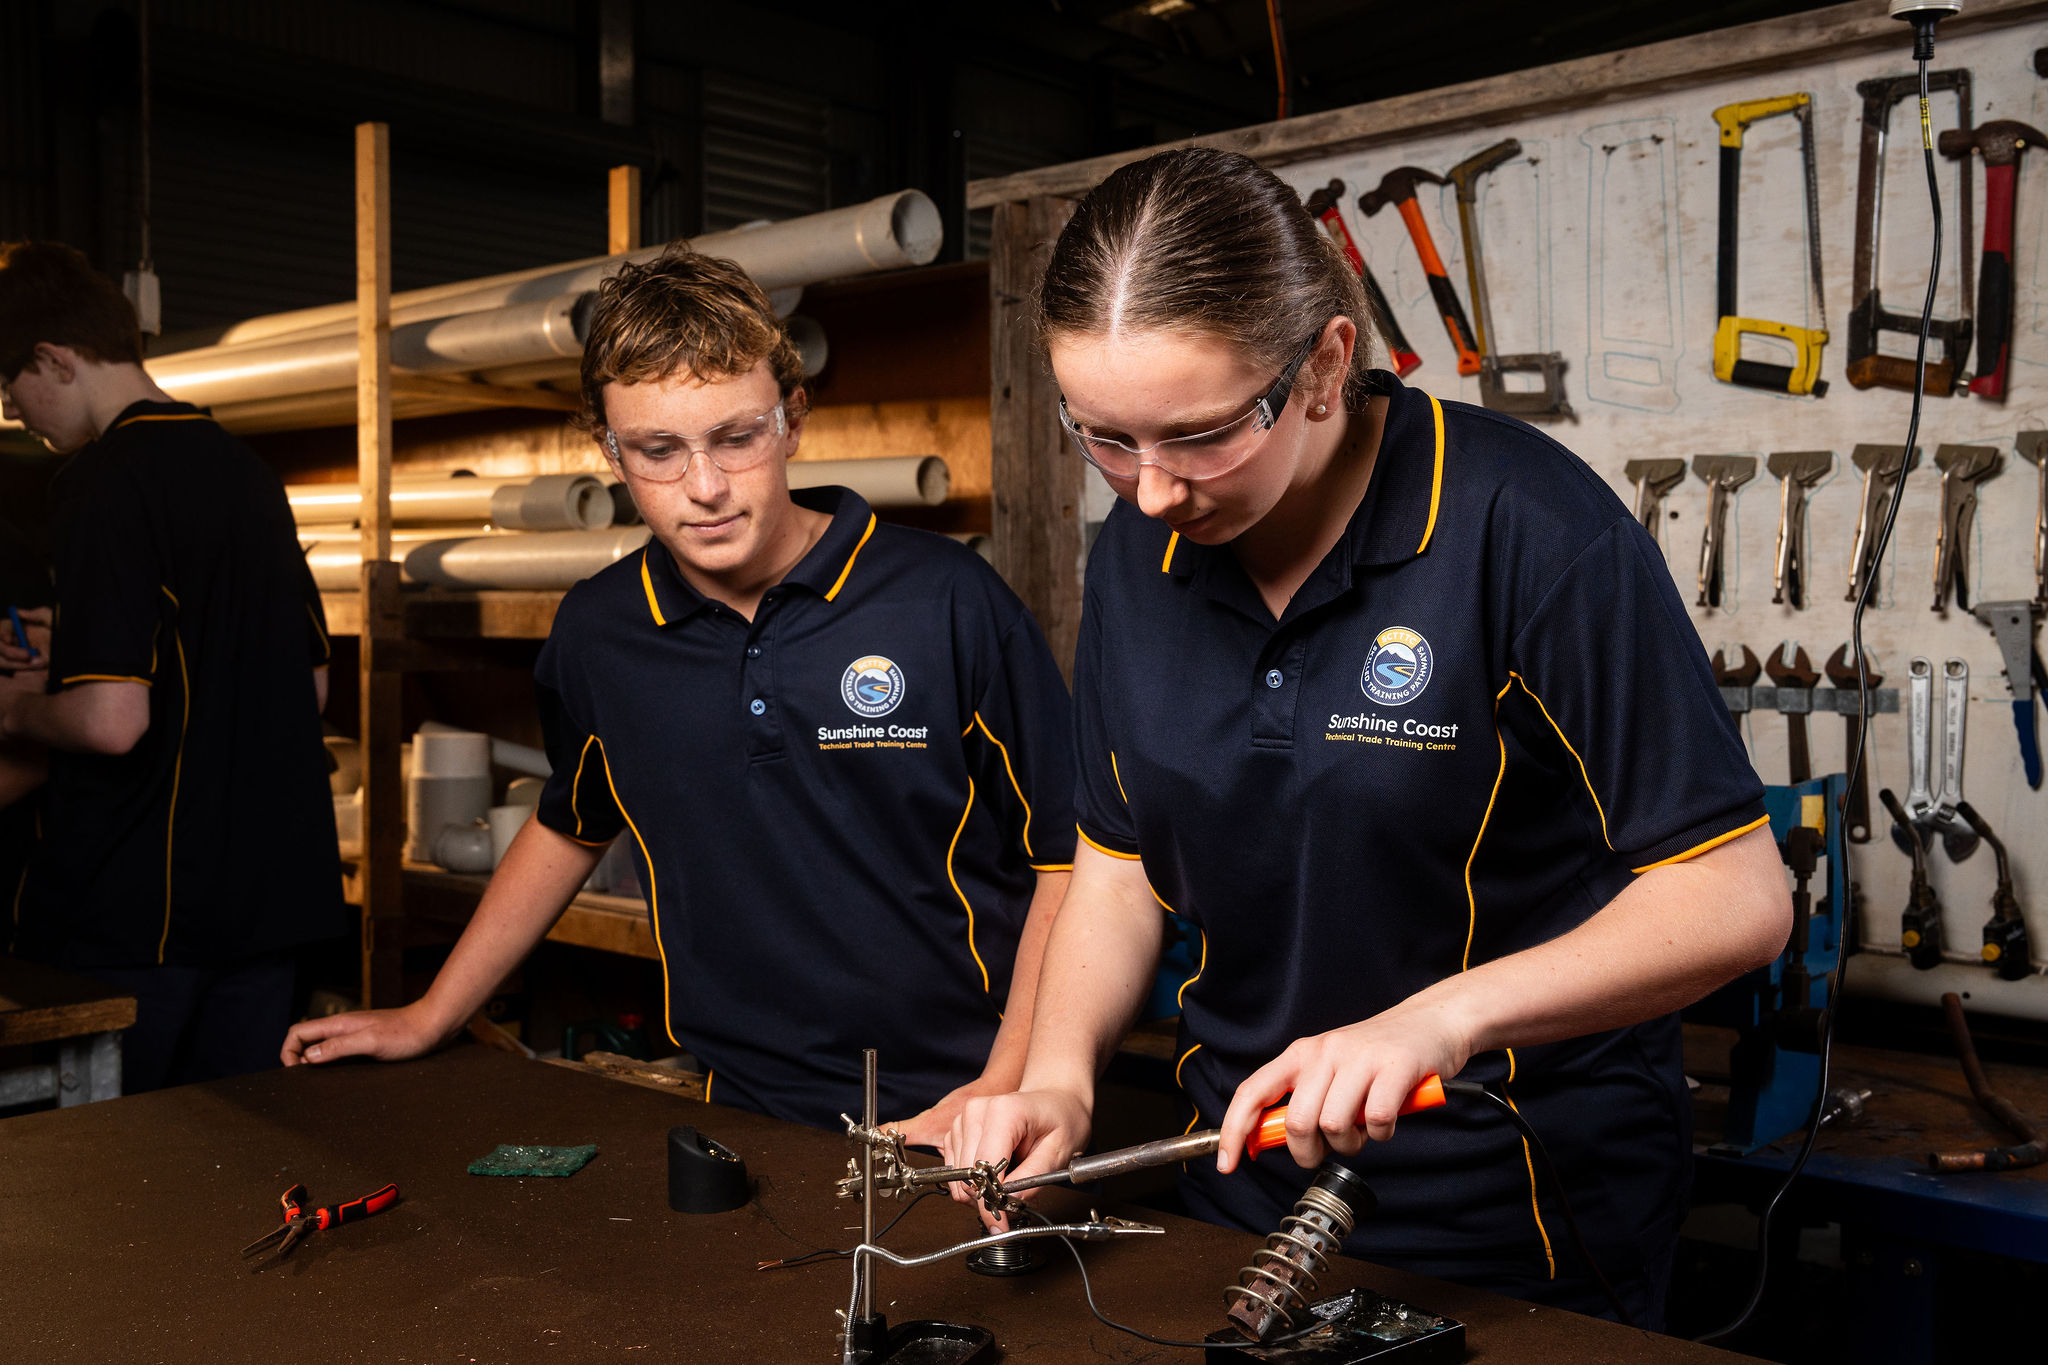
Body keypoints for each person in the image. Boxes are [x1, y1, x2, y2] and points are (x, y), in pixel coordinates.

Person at [944, 148, 1791, 1329]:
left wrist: (1437, 1019)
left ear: (1326, 364)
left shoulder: (1529, 531)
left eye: (1198, 435)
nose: (1150, 492)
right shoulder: (1137, 551)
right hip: (1237, 1182)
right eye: (1104, 438)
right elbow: (1119, 859)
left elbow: (1734, 898)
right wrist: (1057, 1080)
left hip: (1509, 1206)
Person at [284, 249, 1076, 1143]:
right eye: (659, 451)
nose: (704, 488)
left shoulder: (946, 600)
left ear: (792, 419)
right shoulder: (600, 633)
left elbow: (1069, 855)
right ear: (610, 451)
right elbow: (570, 823)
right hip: (738, 1107)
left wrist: (1007, 1082)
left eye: (736, 438)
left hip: (966, 1103)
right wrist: (430, 1013)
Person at [0, 241, 345, 1091]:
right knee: (232, 1149)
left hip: (140, 912)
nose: (14, 411)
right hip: (265, 905)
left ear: (54, 358)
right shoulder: (248, 471)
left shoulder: (100, 480)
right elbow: (307, 686)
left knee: (117, 1156)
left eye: (12, 387)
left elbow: (114, 721)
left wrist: (15, 708)